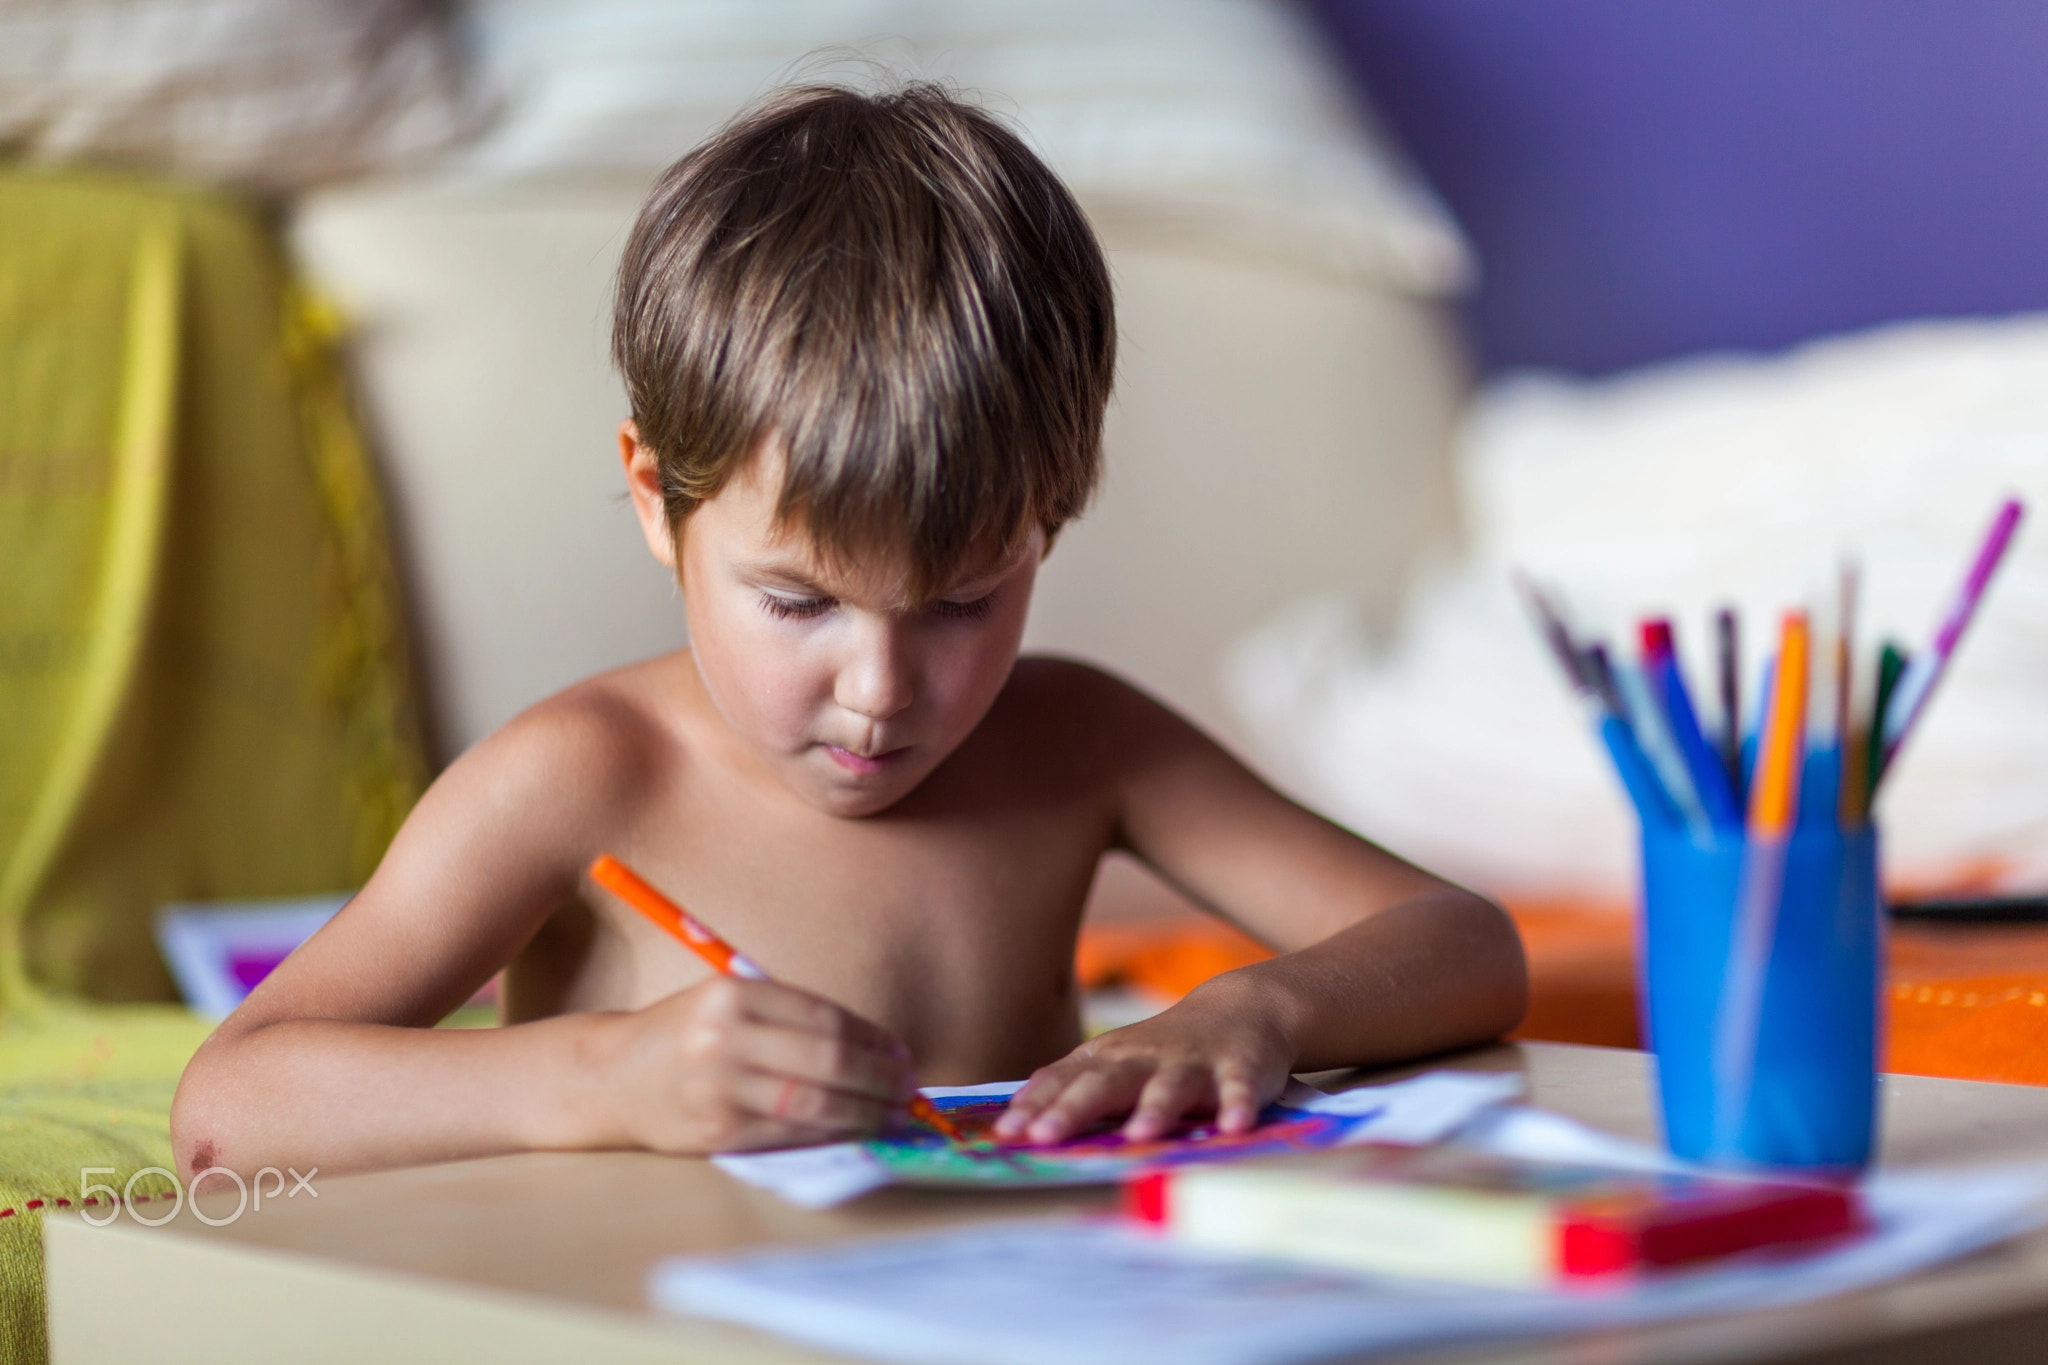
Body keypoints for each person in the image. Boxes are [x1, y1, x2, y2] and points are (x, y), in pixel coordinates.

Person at [171, 83, 1526, 1179]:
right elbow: (232, 1105)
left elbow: (1466, 942)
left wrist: (1255, 1011)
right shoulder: (584, 775)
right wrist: (608, 1076)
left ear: (1050, 517)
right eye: (799, 601)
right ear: (658, 494)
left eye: (961, 601)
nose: (881, 689)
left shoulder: (1083, 740)